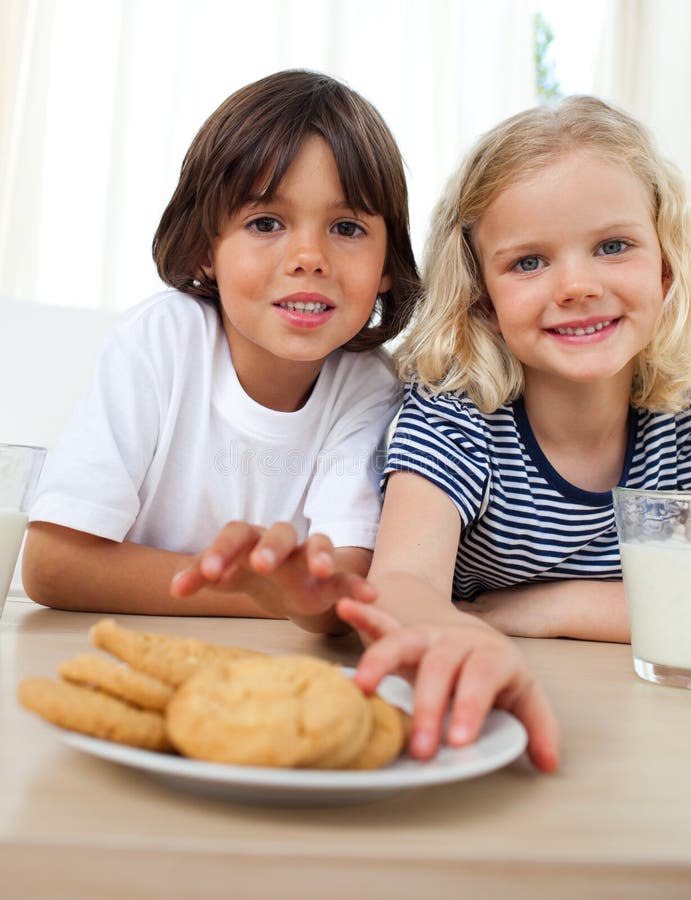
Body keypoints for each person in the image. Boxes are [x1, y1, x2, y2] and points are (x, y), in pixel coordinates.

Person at [22, 69, 420, 621]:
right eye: (266, 223)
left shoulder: (369, 385)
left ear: (387, 264)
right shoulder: (159, 342)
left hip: (264, 664)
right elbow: (54, 563)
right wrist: (263, 593)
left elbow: (340, 593)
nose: (309, 258)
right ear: (206, 249)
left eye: (347, 228)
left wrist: (300, 598)